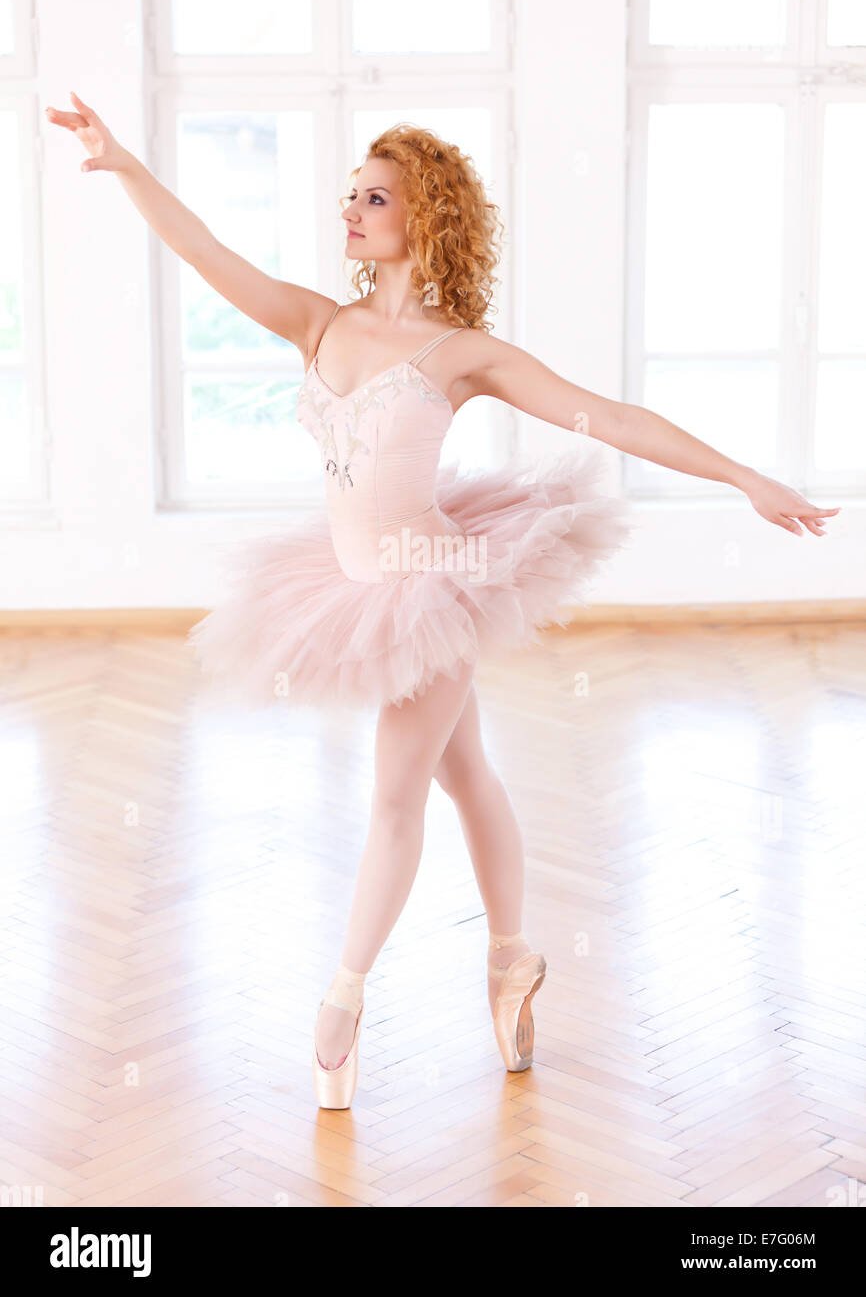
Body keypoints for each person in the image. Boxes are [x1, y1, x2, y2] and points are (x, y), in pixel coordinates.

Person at [47, 94, 840, 1110]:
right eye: (349, 195)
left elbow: (611, 416)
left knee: (392, 794)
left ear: (425, 216)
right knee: (463, 773)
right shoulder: (315, 320)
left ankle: (341, 1000)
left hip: (432, 583)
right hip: (345, 587)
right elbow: (202, 251)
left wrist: (742, 477)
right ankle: (511, 959)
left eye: (373, 197)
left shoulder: (461, 354)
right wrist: (122, 163)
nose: (350, 211)